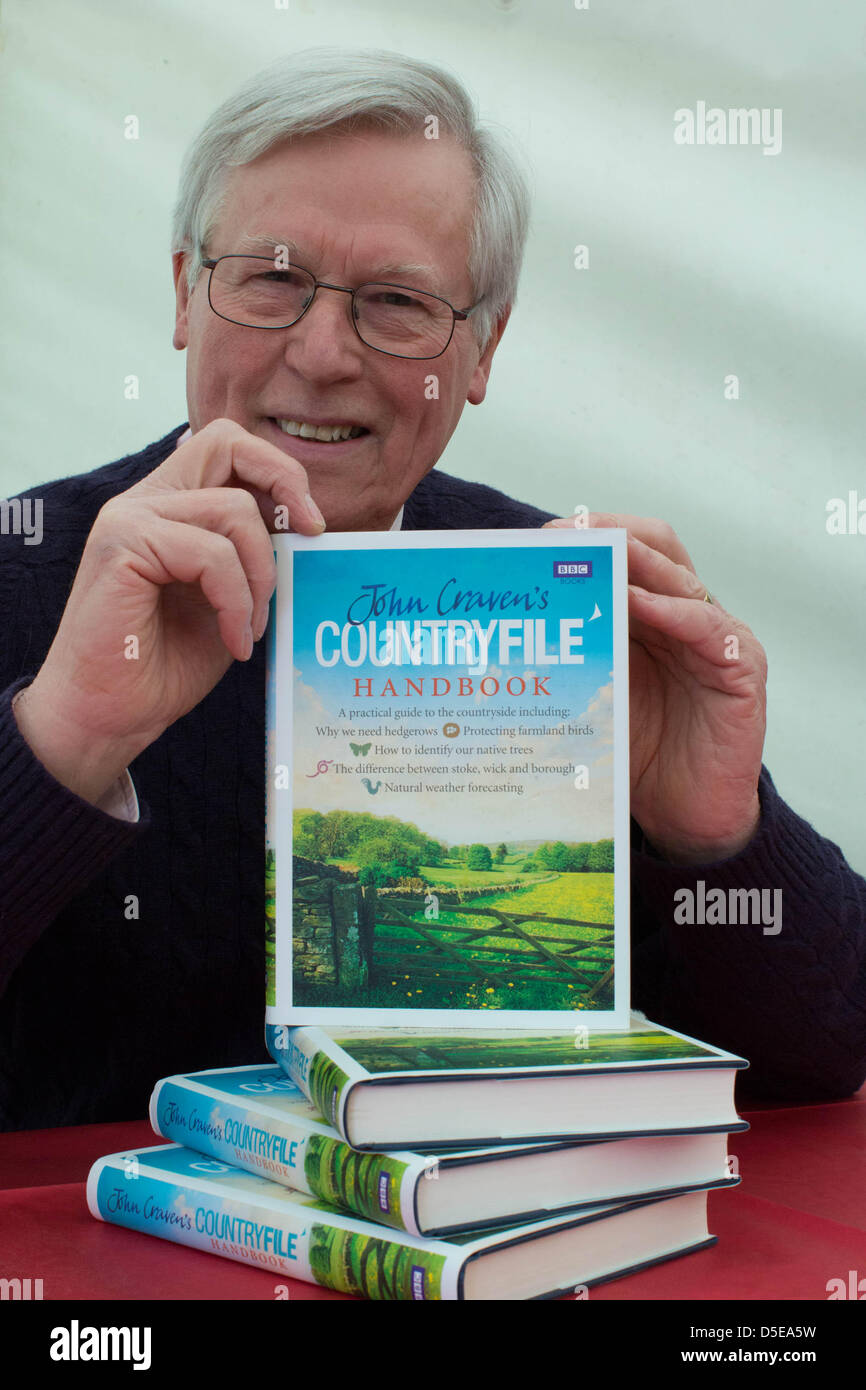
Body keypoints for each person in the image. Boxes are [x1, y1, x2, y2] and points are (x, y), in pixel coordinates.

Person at [1, 49, 863, 1130]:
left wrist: (714, 837)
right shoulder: (25, 571)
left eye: (395, 302)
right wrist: (59, 741)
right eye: (270, 278)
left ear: (482, 349)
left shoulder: (553, 608)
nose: (318, 352)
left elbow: (828, 1058)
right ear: (185, 290)